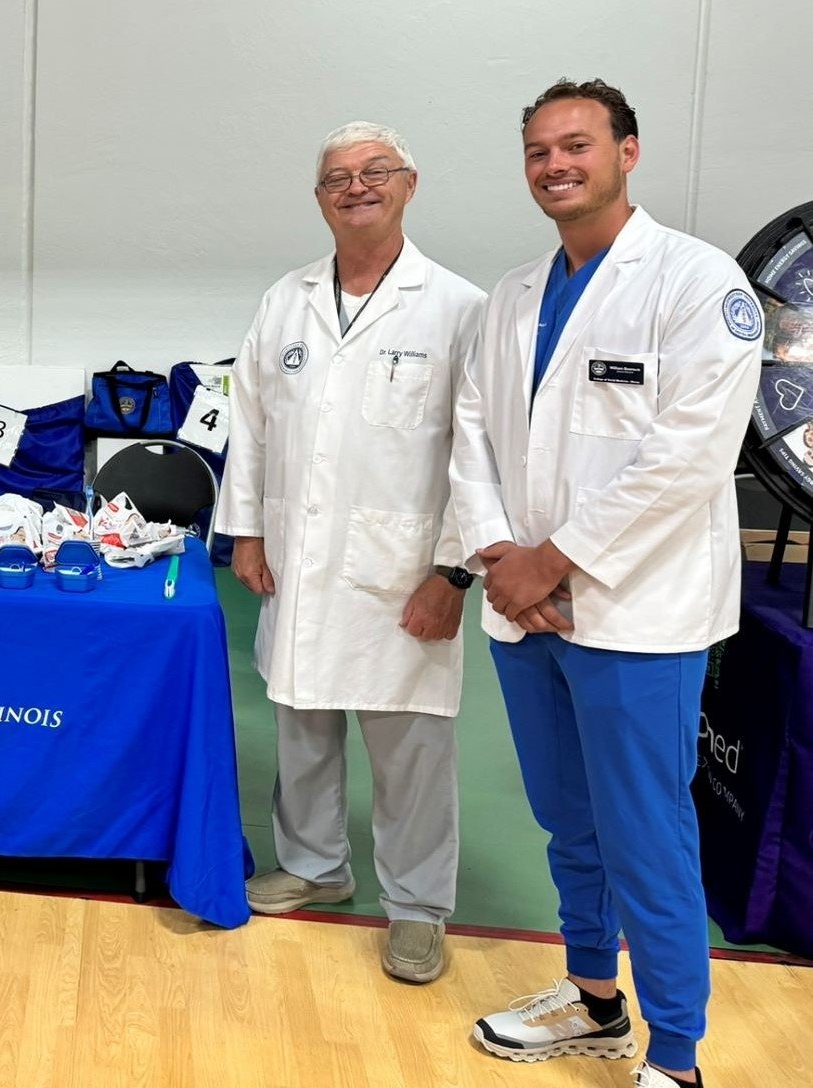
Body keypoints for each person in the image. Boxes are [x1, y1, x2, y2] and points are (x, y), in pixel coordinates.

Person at [452, 79, 762, 1088]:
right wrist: (503, 556)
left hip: (637, 615)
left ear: (628, 151)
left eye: (576, 144)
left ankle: (674, 1053)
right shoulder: (507, 298)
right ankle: (591, 997)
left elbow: (686, 457)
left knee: (646, 829)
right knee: (568, 820)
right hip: (526, 607)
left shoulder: (695, 283)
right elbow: (469, 437)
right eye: (538, 149)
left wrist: (556, 558)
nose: (555, 164)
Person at [216, 122, 486, 984]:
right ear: (320, 195)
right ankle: (314, 866)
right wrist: (249, 529)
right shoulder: (284, 300)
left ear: (410, 185)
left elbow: (477, 457)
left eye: (375, 172)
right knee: (299, 717)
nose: (356, 186)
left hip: (403, 567)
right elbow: (251, 425)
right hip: (299, 553)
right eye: (338, 176)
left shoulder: (457, 307)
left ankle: (416, 907)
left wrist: (454, 573)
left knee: (409, 747)